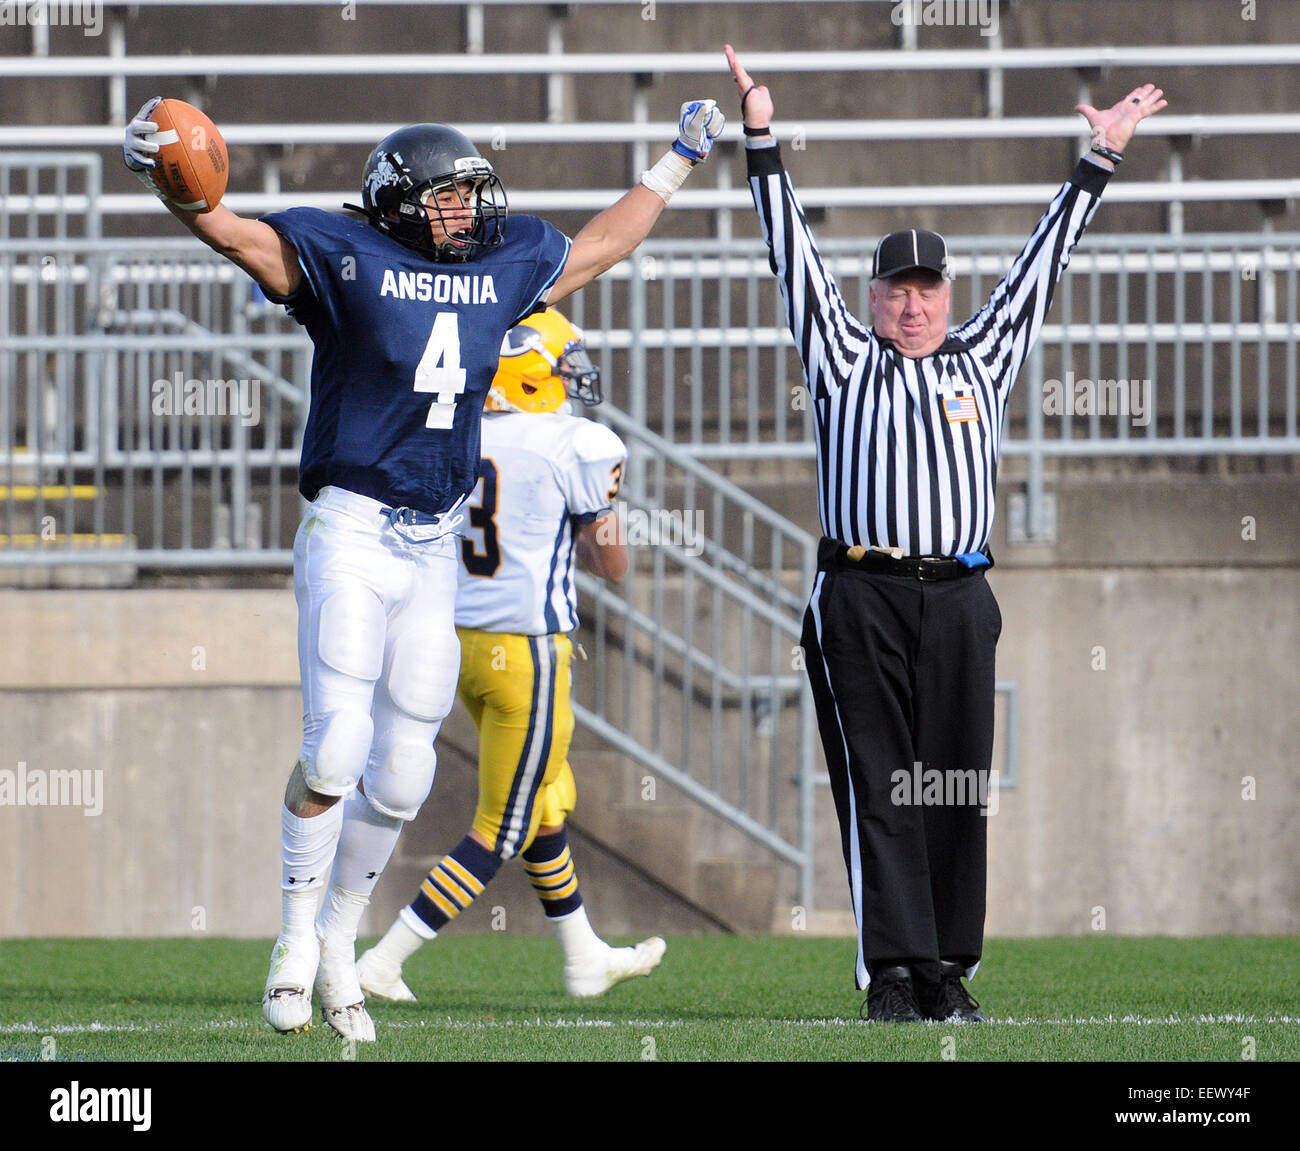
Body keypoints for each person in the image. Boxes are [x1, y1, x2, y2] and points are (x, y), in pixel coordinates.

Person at [123, 97, 723, 1041]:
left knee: (403, 772)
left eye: (474, 194)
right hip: (354, 525)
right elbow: (233, 232)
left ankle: (338, 945)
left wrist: (680, 157)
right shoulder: (344, 251)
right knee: (335, 748)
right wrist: (172, 179)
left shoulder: (502, 261)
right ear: (398, 202)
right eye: (449, 197)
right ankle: (289, 941)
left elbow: (604, 245)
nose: (470, 212)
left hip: (434, 542)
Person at [724, 44, 1165, 1022]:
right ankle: (892, 973)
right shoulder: (839, 352)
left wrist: (1097, 161)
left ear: (947, 292)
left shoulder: (987, 351)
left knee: (953, 786)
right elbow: (784, 247)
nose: (913, 303)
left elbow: (1043, 265)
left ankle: (948, 971)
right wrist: (761, 137)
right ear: (873, 295)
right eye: (896, 289)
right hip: (862, 593)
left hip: (961, 595)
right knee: (881, 786)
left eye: (926, 287)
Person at [356, 308, 664, 1004]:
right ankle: (386, 957)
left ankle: (585, 955)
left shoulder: (454, 429)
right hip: (528, 655)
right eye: (562, 363)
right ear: (533, 373)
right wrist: (595, 523)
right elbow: (611, 563)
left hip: (454, 647)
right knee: (504, 823)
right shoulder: (575, 443)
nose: (572, 375)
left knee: (543, 801)